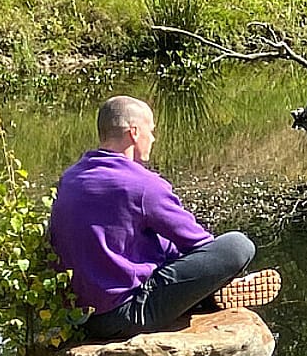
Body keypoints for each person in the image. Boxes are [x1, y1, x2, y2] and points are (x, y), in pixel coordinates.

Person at [49, 95, 280, 340]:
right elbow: (199, 244)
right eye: (152, 130)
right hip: (126, 313)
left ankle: (203, 295)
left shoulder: (70, 178)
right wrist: (214, 274)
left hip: (82, 318)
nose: (154, 138)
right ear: (134, 133)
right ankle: (209, 293)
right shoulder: (142, 185)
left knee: (162, 248)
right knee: (237, 245)